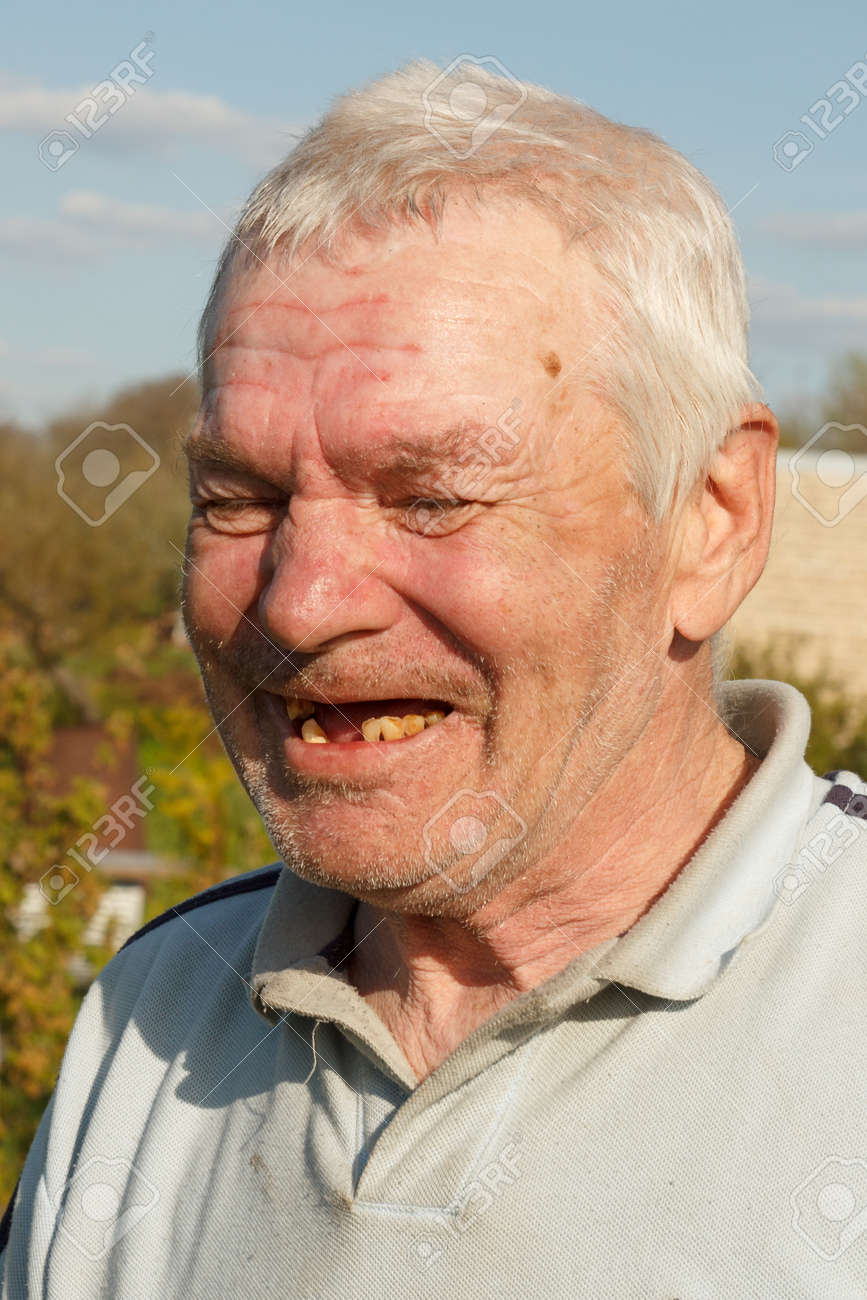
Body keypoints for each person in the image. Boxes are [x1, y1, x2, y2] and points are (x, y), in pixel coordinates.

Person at [3, 58, 866, 1299]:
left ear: (712, 518)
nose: (301, 599)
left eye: (431, 497)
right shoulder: (155, 1012)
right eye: (237, 499)